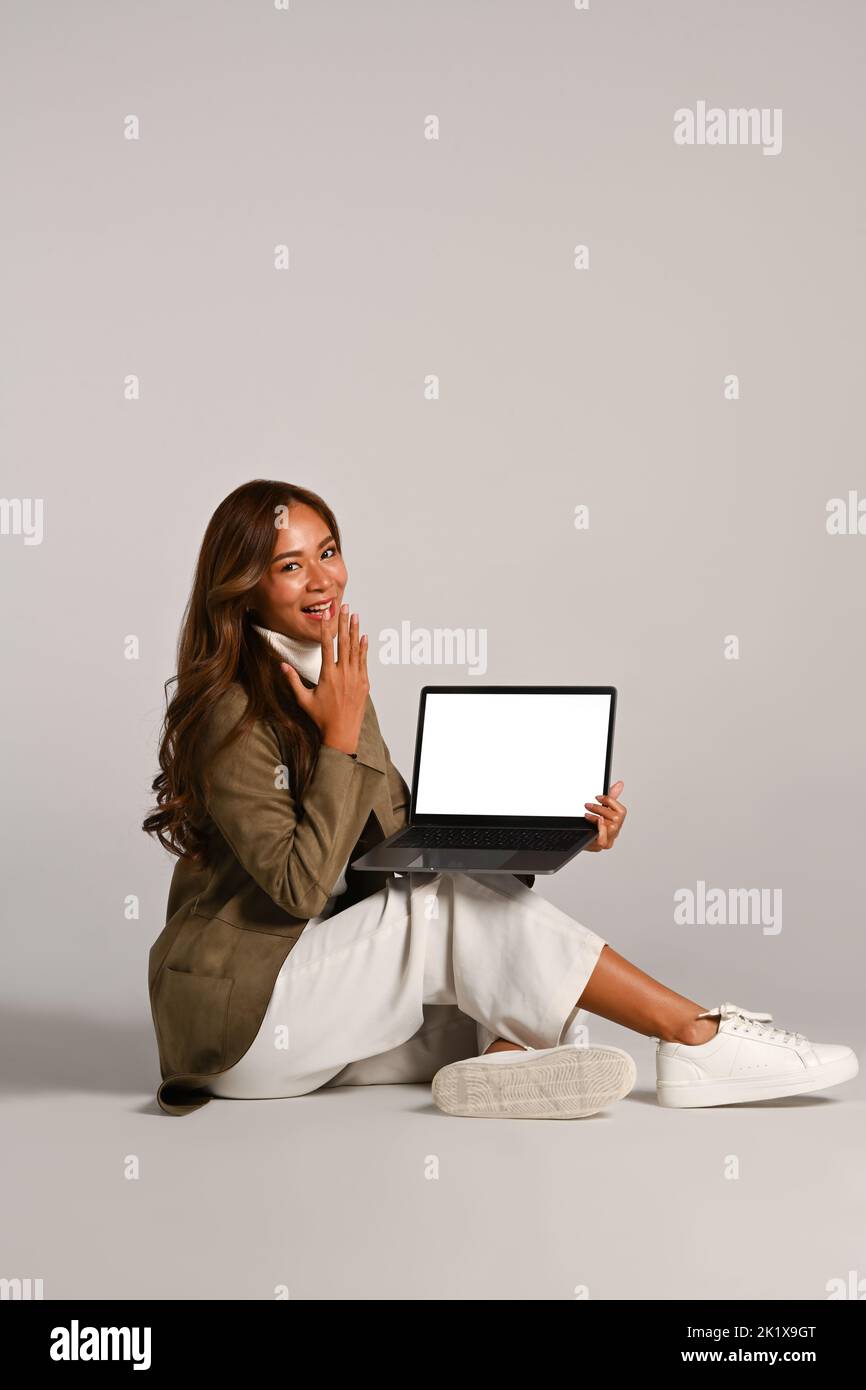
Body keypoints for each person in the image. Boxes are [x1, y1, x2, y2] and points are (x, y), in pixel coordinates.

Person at [143, 480, 859, 1118]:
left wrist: (552, 834)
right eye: (290, 565)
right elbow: (300, 889)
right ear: (244, 587)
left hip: (323, 1009)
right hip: (244, 1026)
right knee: (464, 925)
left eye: (328, 552)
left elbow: (405, 851)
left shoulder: (334, 681)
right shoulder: (230, 714)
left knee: (525, 996)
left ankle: (500, 1065)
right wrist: (339, 736)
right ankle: (698, 1037)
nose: (322, 579)